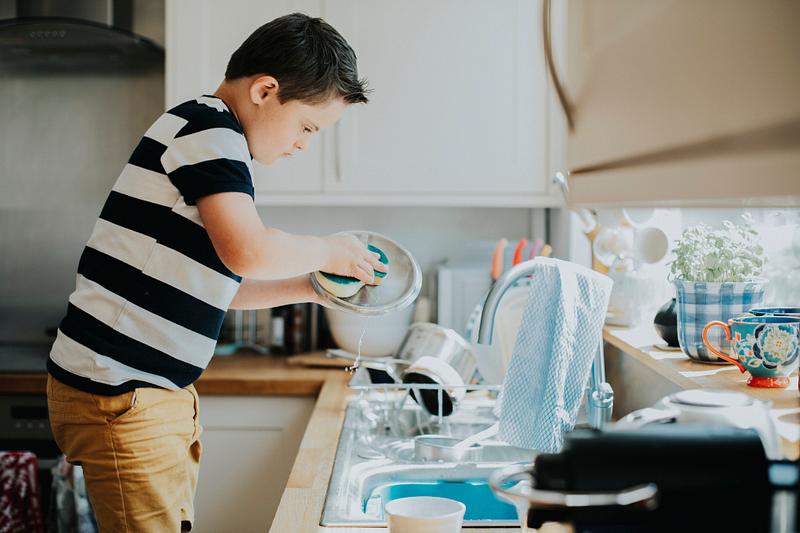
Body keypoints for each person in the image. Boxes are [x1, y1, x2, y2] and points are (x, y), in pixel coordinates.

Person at [46, 13, 382, 532]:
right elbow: (248, 252)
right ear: (266, 91)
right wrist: (326, 250)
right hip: (122, 391)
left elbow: (215, 285)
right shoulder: (209, 129)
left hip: (145, 392)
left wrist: (309, 288)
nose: (303, 145)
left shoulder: (215, 139)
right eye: (307, 127)